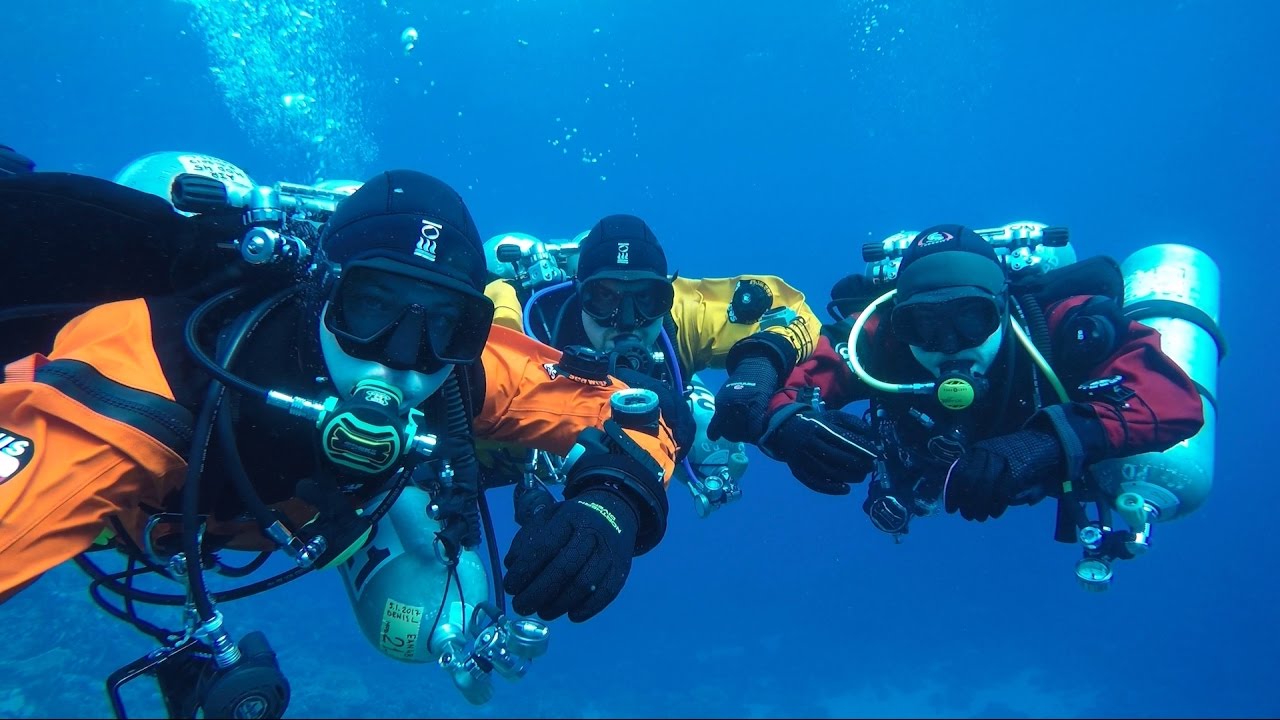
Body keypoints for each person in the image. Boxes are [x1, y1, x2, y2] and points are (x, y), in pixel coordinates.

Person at [0, 164, 678, 717]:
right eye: (372, 308)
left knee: (425, 626)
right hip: (139, 520)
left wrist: (612, 501)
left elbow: (636, 412)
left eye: (445, 325)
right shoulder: (150, 377)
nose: (403, 359)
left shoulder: (460, 375)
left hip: (311, 517)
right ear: (320, 292)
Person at [711, 223, 1208, 547]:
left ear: (1004, 307)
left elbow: (1173, 399)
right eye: (923, 325)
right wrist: (787, 424)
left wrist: (1045, 442)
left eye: (972, 318)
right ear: (897, 322)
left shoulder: (1055, 325)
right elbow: (790, 383)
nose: (948, 345)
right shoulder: (879, 342)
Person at [481, 214, 822, 517]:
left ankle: (691, 402)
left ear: (667, 297)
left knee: (715, 446)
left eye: (647, 299)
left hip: (651, 411)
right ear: (578, 293)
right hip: (520, 445)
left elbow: (791, 312)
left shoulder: (684, 314)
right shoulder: (527, 317)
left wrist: (758, 367)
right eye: (603, 298)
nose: (627, 321)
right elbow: (483, 365)